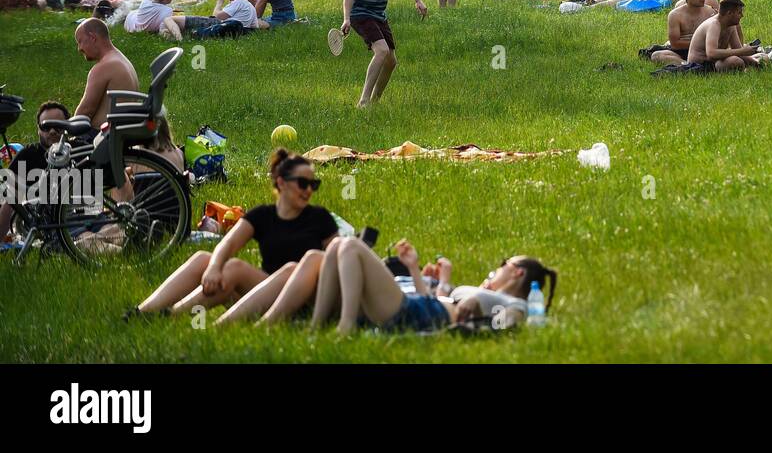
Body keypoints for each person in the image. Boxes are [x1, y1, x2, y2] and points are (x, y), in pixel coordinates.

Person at [133, 149, 337, 323]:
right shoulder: (263, 215)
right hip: (263, 291)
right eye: (303, 183)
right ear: (281, 183)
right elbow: (228, 243)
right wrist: (213, 268)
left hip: (301, 297)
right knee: (204, 259)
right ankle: (142, 312)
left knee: (234, 267)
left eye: (314, 184)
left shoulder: (319, 217)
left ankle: (170, 315)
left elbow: (336, 258)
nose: (309, 190)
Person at [309, 237, 556, 335]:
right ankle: (315, 329)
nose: (494, 270)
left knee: (350, 245)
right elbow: (432, 297)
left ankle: (345, 326)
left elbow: (514, 317)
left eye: (501, 265)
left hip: (426, 313)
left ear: (516, 271)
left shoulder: (518, 302)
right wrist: (417, 269)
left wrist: (482, 316)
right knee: (336, 247)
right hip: (424, 305)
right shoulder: (477, 291)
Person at [0, 100, 73, 241]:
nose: (52, 131)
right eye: (46, 127)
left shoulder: (80, 149)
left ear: (68, 126)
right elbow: (8, 191)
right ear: (38, 129)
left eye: (58, 126)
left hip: (87, 216)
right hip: (53, 225)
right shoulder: (28, 155)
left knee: (109, 232)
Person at [72, 18, 140, 127]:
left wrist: (68, 133)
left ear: (92, 37)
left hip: (102, 138)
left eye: (80, 41)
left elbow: (85, 112)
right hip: (124, 132)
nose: (79, 48)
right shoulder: (121, 60)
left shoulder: (103, 67)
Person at [686, 0, 761, 72]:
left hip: (715, 62)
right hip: (700, 65)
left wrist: (756, 63)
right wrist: (743, 51)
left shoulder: (731, 26)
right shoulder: (714, 25)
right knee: (735, 61)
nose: (742, 16)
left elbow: (738, 50)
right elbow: (711, 54)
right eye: (739, 12)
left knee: (762, 57)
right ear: (729, 13)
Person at [651, 0, 715, 65]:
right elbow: (675, 44)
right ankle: (686, 64)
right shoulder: (675, 15)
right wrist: (697, 43)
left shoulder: (710, 11)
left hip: (702, 50)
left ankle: (689, 65)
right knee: (656, 55)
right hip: (682, 51)